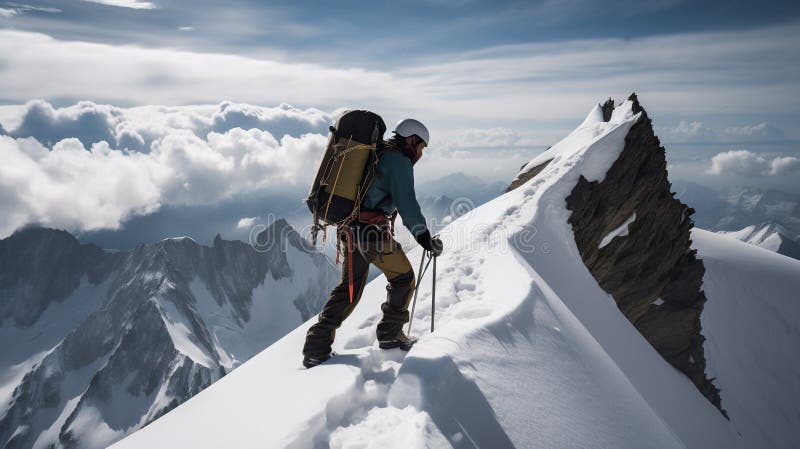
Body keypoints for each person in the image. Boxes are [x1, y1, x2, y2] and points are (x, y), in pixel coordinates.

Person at [302, 118, 443, 368]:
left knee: (350, 288)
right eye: (421, 146)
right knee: (403, 278)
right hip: (372, 236)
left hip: (350, 231)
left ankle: (317, 345)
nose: (420, 153)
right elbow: (408, 205)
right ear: (411, 140)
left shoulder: (379, 152)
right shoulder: (398, 162)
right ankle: (390, 335)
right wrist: (424, 238)